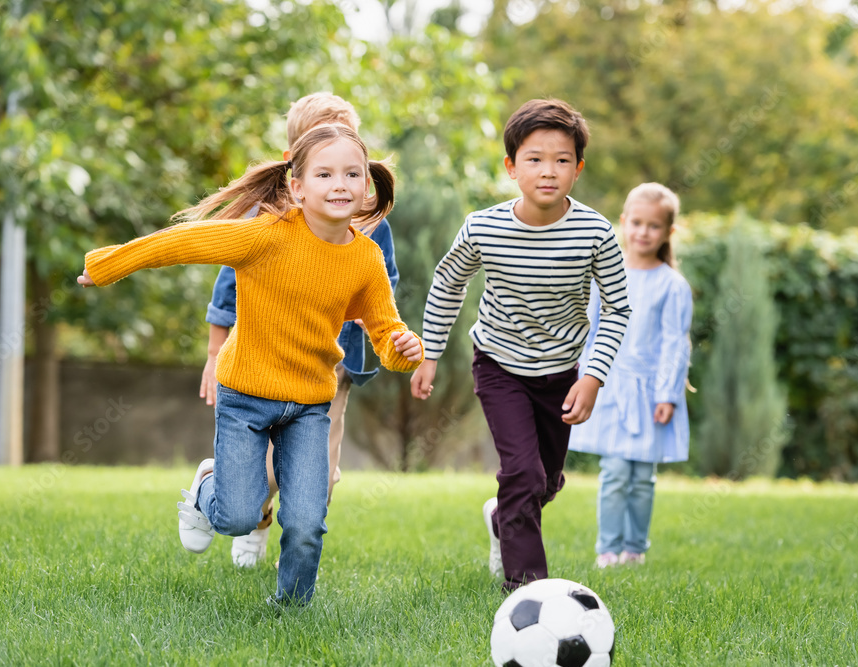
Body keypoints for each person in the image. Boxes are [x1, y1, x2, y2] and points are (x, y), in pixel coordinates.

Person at [79, 124, 423, 606]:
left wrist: (403, 350)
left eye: (352, 173)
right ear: (297, 187)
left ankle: (291, 610)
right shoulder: (265, 236)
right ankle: (206, 489)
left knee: (306, 520)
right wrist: (108, 264)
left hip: (308, 405)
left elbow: (386, 332)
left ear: (368, 186)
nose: (340, 184)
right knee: (236, 517)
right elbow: (183, 243)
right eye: (325, 174)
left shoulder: (366, 259)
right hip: (245, 398)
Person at [410, 98, 632, 592]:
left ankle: (502, 518)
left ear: (578, 168)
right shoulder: (484, 226)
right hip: (498, 365)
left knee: (544, 482)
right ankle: (527, 589)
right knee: (524, 474)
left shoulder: (595, 233)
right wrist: (430, 353)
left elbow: (617, 308)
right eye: (534, 159)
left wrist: (593, 377)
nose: (547, 171)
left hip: (562, 372)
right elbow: (448, 283)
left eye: (561, 160)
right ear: (511, 167)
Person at [200, 93, 400, 569]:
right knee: (257, 464)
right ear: (296, 166)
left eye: (351, 152)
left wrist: (373, 320)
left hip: (331, 363)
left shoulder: (370, 221)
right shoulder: (268, 223)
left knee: (320, 477)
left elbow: (385, 283)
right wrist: (214, 351)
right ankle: (249, 512)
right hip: (264, 361)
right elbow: (228, 283)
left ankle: (295, 557)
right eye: (323, 157)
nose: (340, 173)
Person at [569, 182, 692, 568]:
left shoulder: (673, 285)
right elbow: (586, 329)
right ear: (623, 223)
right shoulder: (603, 274)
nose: (642, 232)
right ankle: (608, 549)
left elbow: (675, 343)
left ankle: (635, 549)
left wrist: (667, 394)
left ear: (668, 232)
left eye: (653, 226)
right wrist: (580, 376)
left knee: (642, 477)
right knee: (616, 471)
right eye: (636, 223)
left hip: (651, 392)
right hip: (609, 384)